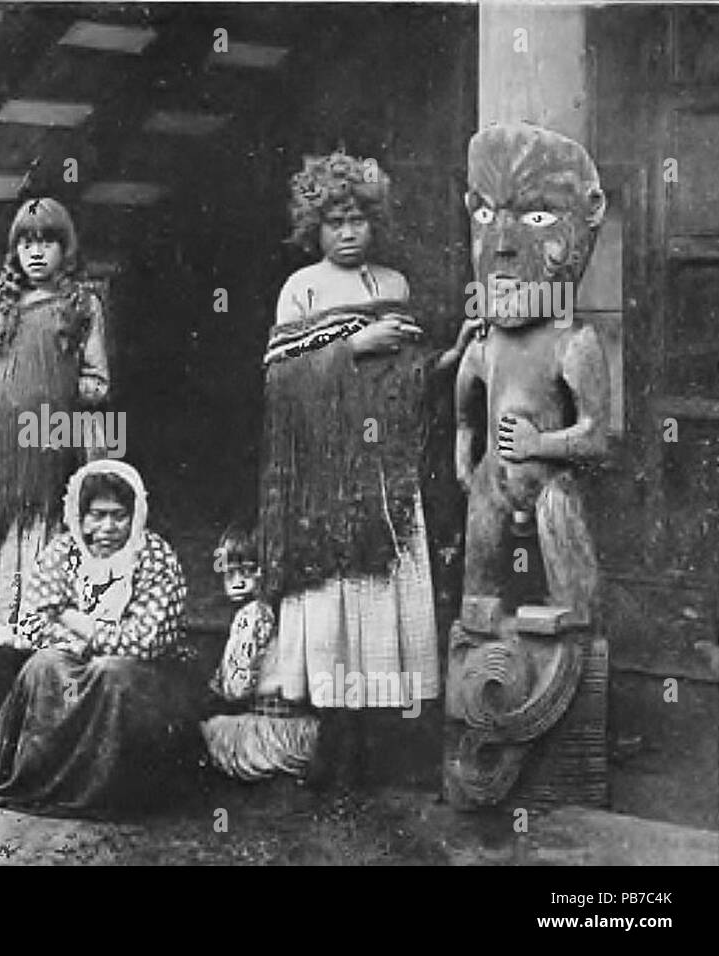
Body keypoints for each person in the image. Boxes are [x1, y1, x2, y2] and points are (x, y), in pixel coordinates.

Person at [260, 149, 480, 783]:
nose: (349, 233)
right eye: (335, 222)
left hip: (386, 470)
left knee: (385, 595)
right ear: (314, 226)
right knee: (336, 592)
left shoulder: (394, 285)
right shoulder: (301, 288)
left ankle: (382, 741)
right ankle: (333, 737)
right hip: (329, 474)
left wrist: (453, 354)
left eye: (359, 220)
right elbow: (282, 383)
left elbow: (408, 382)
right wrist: (352, 346)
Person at [0, 459, 198, 817]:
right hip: (77, 659)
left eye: (119, 515)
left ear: (136, 514)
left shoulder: (155, 557)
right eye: (96, 515)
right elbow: (32, 621)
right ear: (79, 515)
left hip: (143, 675)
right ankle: (36, 780)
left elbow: (146, 640)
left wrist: (72, 618)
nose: (107, 527)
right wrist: (80, 646)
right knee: (44, 665)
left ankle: (106, 793)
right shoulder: (63, 552)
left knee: (111, 672)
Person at [0, 197, 110, 648]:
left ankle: (34, 629)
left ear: (66, 249)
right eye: (26, 242)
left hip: (46, 445)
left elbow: (98, 382)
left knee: (38, 526)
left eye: (47, 242)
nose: (36, 252)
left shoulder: (80, 306)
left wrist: (50, 389)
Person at [200, 523, 320, 781]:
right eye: (230, 573)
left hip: (267, 735)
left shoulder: (251, 615)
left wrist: (217, 685)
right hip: (304, 730)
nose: (238, 582)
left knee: (203, 731)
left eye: (249, 571)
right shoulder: (296, 609)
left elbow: (236, 688)